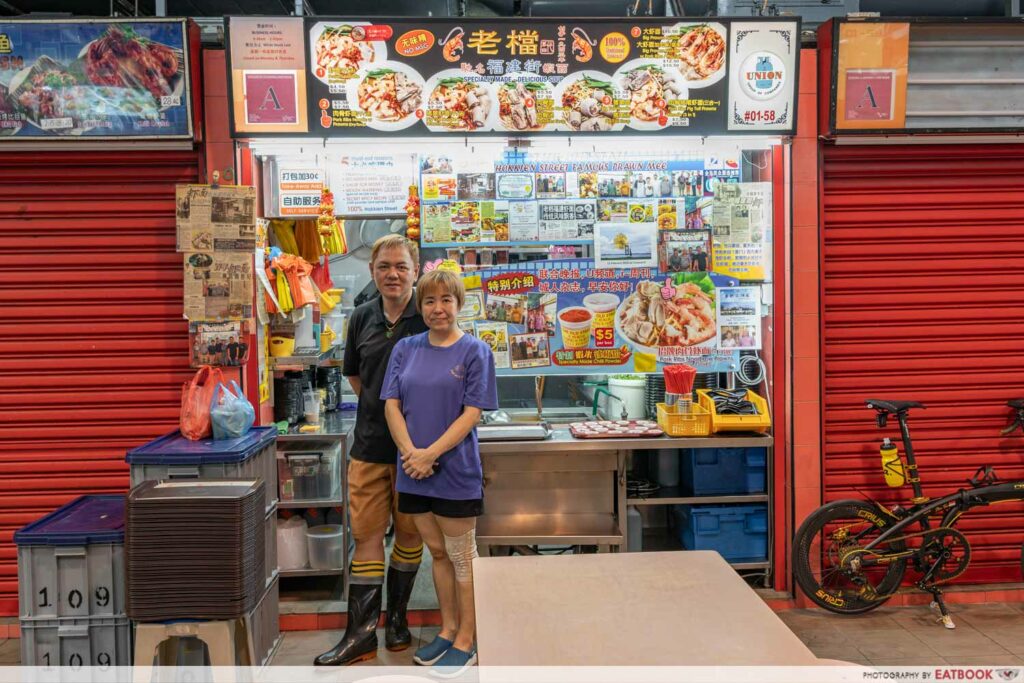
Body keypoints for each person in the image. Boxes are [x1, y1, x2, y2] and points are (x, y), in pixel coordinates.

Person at [316, 235, 429, 667]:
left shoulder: (429, 316)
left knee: (410, 533)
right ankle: (361, 635)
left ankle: (397, 621)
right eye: (384, 266)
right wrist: (382, 412)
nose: (393, 274)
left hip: (418, 452)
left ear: (415, 271)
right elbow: (357, 377)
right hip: (368, 446)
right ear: (372, 271)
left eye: (401, 266)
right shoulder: (360, 317)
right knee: (365, 536)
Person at [382, 270, 498, 676]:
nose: (438, 309)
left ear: (459, 303)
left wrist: (429, 453)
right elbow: (391, 404)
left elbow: (473, 412)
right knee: (436, 554)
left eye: (446, 300)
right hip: (412, 470)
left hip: (454, 471)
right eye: (430, 301)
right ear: (421, 306)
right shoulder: (406, 348)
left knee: (463, 559)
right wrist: (411, 453)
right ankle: (448, 631)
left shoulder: (474, 351)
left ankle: (469, 639)